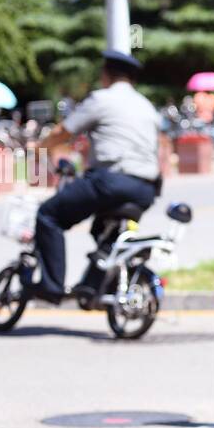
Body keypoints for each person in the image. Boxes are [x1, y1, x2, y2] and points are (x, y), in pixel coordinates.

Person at [28, 51, 161, 303]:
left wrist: (39, 148)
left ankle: (52, 285)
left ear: (105, 75)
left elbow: (64, 131)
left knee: (49, 215)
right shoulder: (146, 105)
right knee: (105, 231)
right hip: (146, 188)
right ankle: (93, 287)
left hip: (112, 181)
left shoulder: (102, 99)